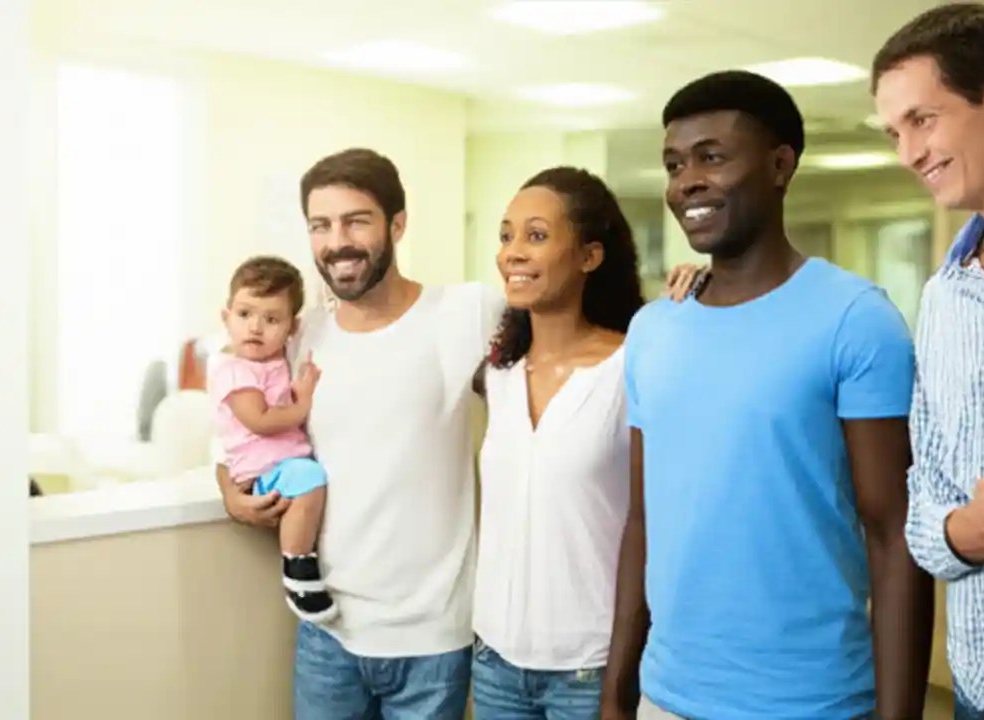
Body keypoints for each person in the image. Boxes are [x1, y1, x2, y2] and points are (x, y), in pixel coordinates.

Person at [600, 70, 933, 720]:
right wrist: (617, 692)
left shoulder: (855, 319)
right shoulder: (653, 329)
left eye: (712, 157)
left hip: (813, 702)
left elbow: (893, 535)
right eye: (674, 164)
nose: (686, 181)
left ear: (780, 165)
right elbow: (642, 518)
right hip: (665, 700)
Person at [214, 148, 503, 718]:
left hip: (432, 639)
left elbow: (577, 348)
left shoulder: (465, 312)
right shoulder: (300, 334)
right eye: (321, 225)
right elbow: (237, 425)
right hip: (326, 632)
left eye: (356, 220)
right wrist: (229, 488)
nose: (336, 240)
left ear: (397, 224)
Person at [871, 4, 984, 716]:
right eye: (895, 133)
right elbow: (925, 494)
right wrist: (963, 531)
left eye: (923, 119)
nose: (908, 152)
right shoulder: (945, 299)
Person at [471, 166, 644, 719]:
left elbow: (652, 521)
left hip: (588, 669)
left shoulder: (632, 364)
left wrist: (620, 680)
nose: (513, 252)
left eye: (536, 236)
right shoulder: (497, 374)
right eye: (506, 235)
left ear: (590, 256)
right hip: (495, 661)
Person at [209, 255, 335, 623]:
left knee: (307, 478)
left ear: (292, 327)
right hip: (263, 470)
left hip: (279, 465)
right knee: (310, 479)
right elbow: (261, 420)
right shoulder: (234, 371)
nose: (256, 328)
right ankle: (297, 566)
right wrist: (304, 403)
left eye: (271, 319)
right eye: (245, 314)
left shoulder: (277, 361)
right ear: (226, 317)